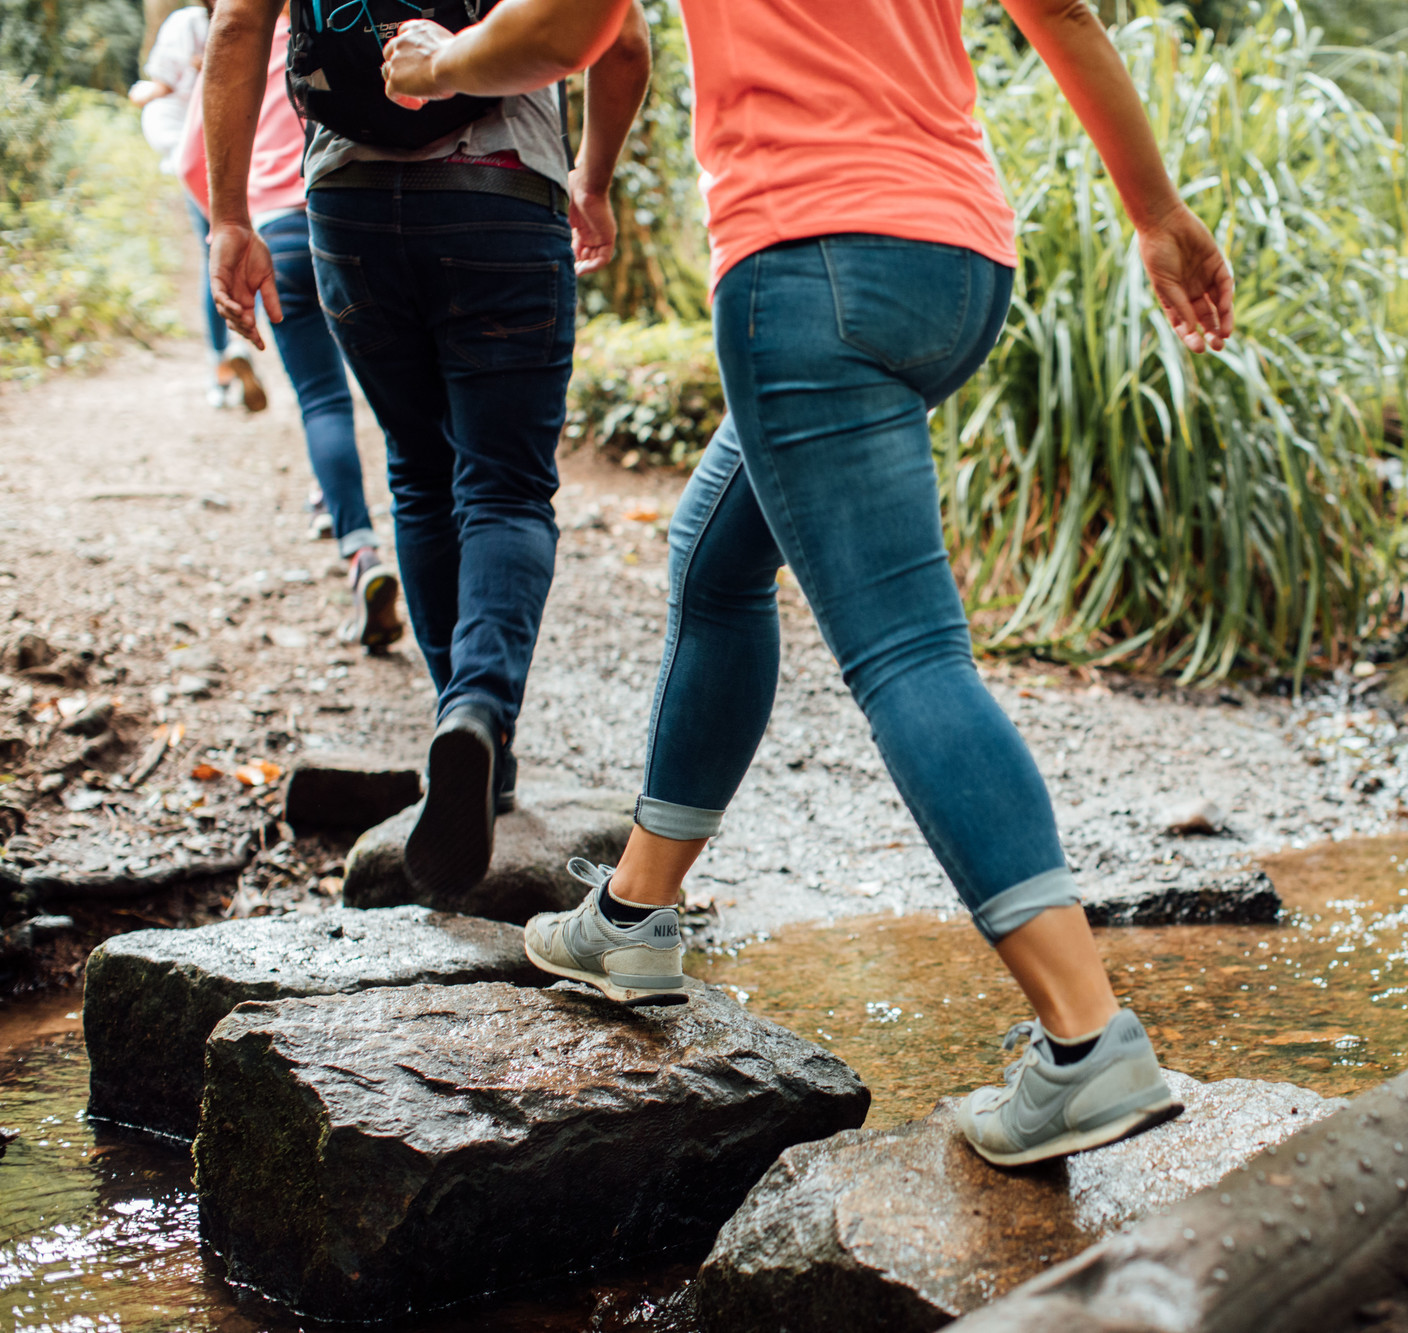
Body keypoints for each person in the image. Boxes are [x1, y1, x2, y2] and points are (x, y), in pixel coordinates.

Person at [383, 0, 1236, 1166]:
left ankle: (1088, 1044)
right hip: (954, 265)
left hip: (809, 263)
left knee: (904, 651)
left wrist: (442, 64)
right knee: (717, 554)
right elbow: (1062, 12)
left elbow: (568, 28)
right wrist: (1155, 209)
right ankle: (631, 918)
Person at [204, 0, 653, 895]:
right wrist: (591, 178)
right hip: (504, 191)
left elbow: (236, 26)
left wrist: (228, 216)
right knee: (507, 486)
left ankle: (465, 728)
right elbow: (626, 39)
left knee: (417, 467)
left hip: (349, 204)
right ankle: (479, 710)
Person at [181, 5, 402, 648]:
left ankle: (361, 550)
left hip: (277, 230)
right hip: (352, 207)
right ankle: (442, 547)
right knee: (401, 393)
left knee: (322, 399)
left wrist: (231, 220)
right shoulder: (342, 28)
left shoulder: (240, 47)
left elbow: (190, 161)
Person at [129, 0, 265, 412]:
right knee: (248, 249)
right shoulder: (265, 20)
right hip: (250, 163)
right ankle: (241, 349)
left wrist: (142, 93)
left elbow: (157, 88)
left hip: (202, 164)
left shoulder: (190, 24)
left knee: (220, 256)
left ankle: (220, 367)